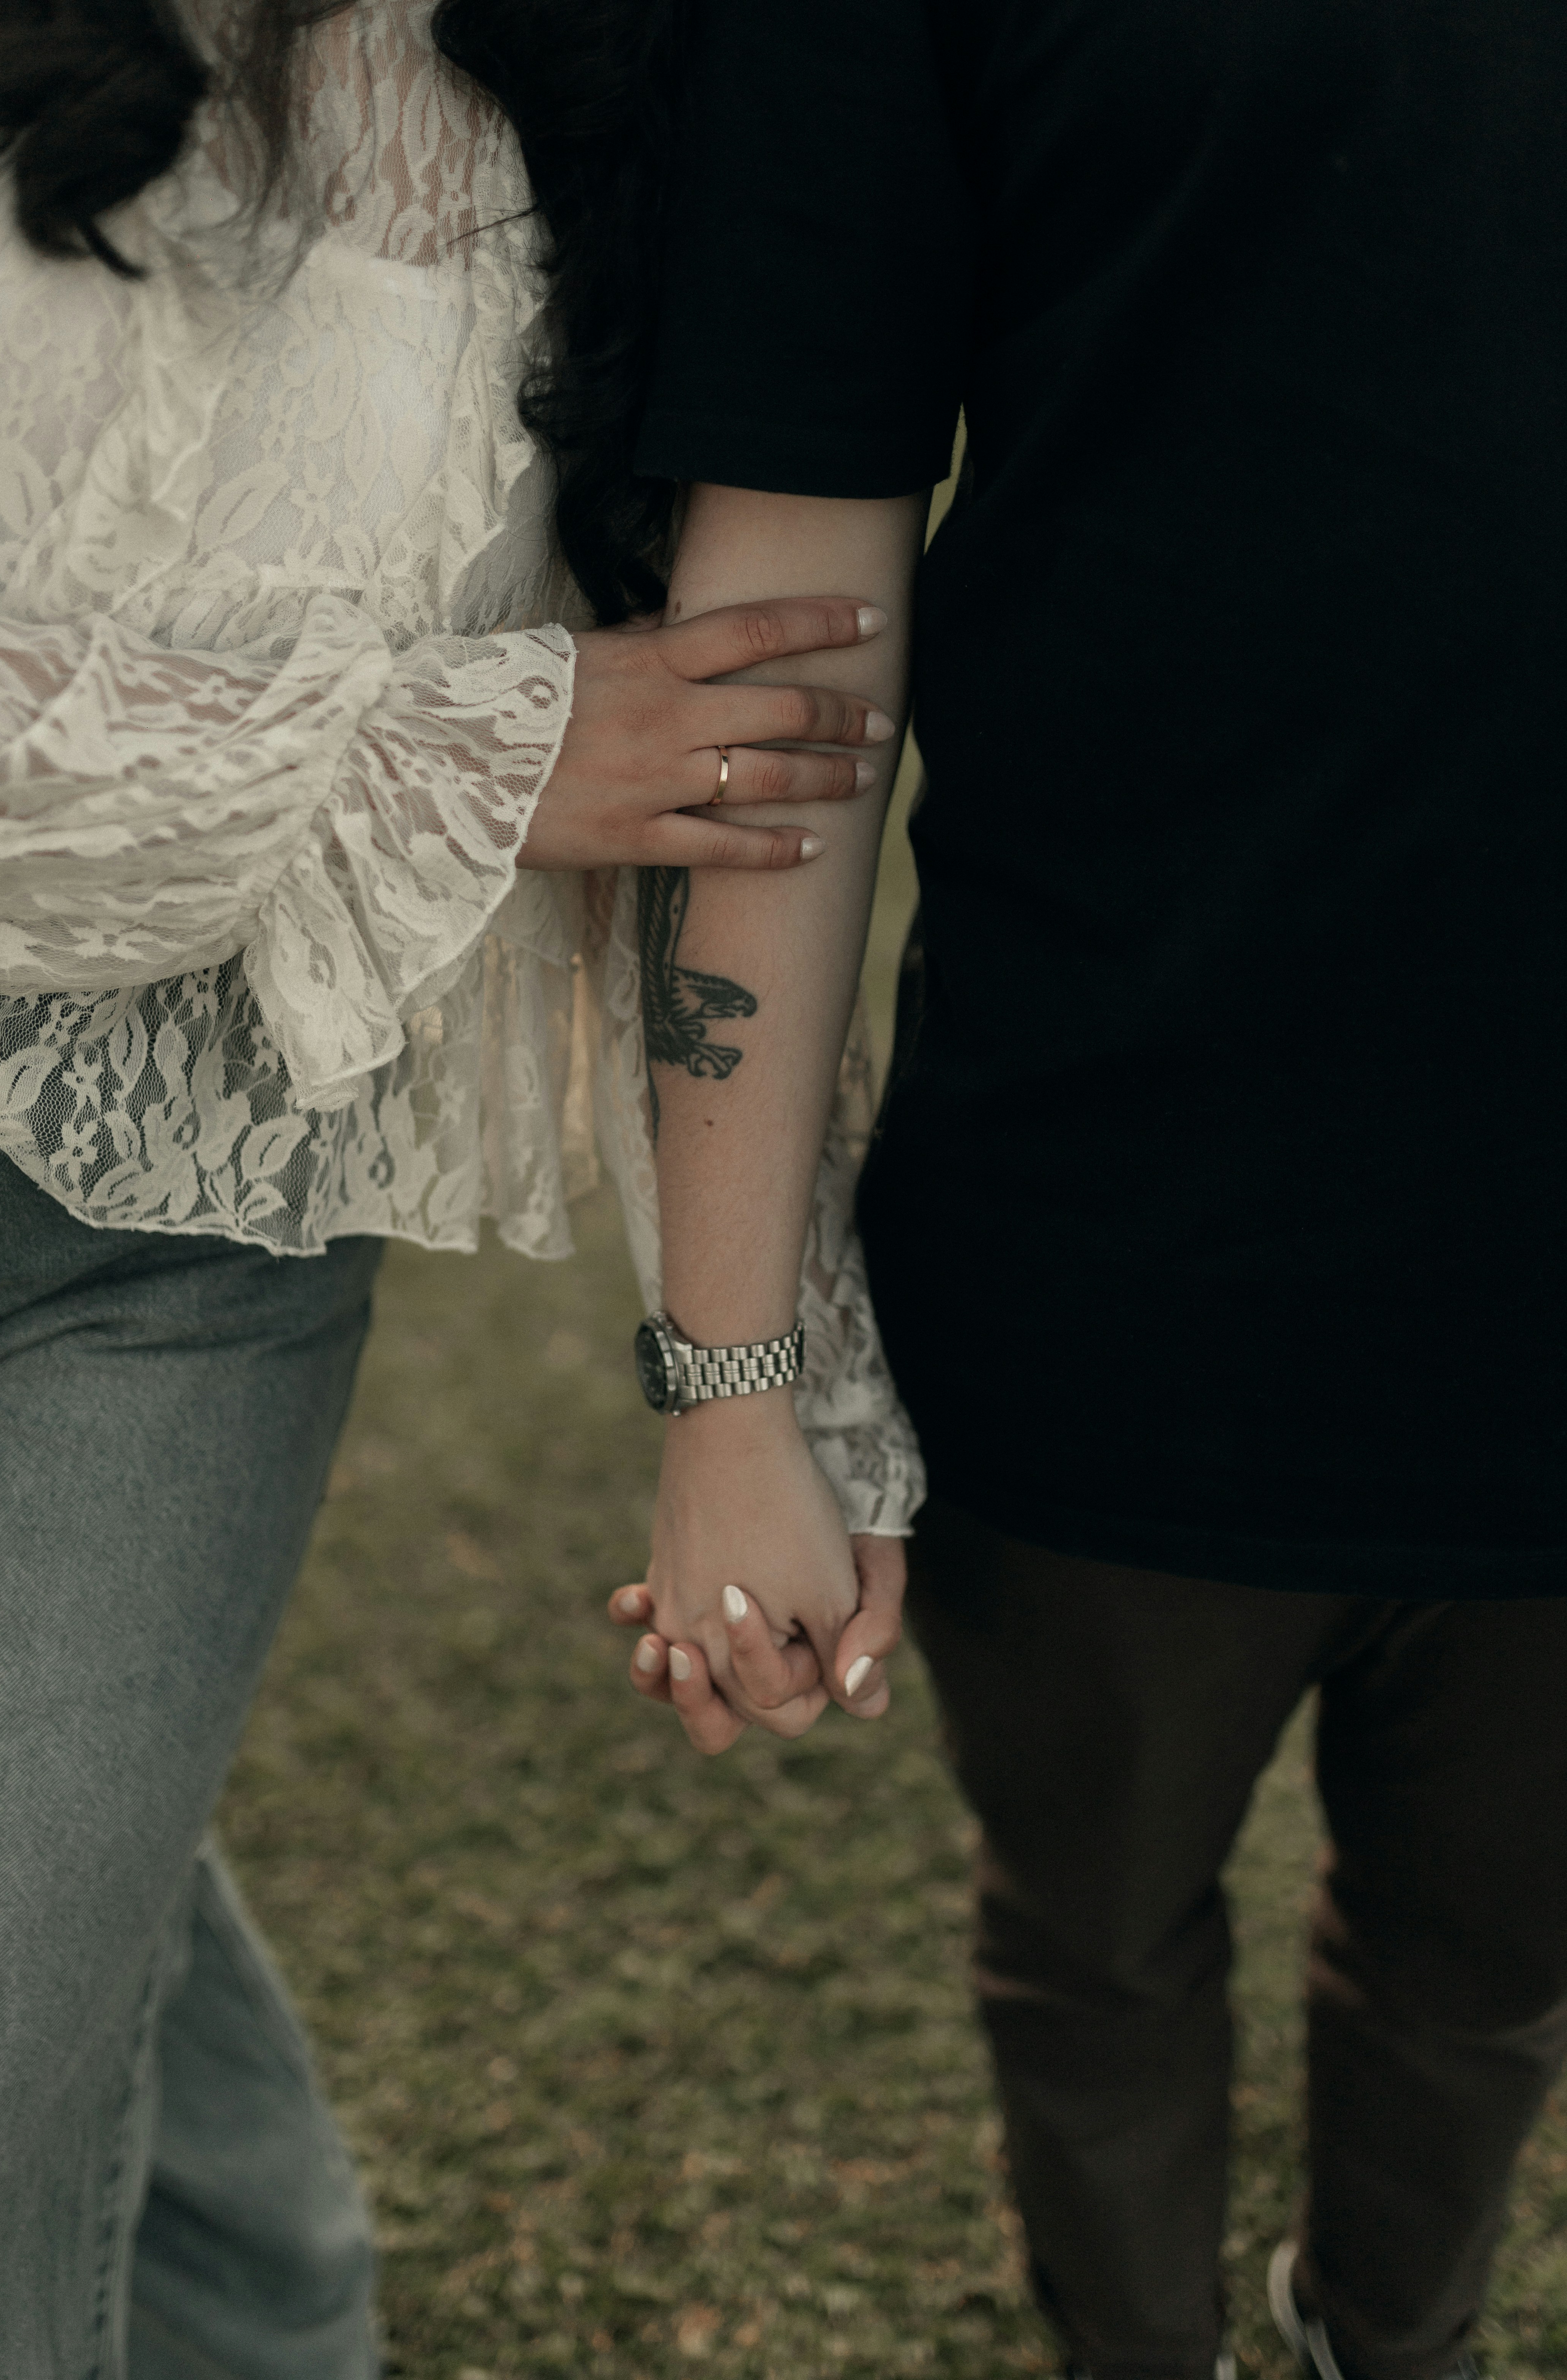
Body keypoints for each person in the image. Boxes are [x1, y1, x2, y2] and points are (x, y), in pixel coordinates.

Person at [609, 3, 1567, 2377]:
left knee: (1491, 1965)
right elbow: (778, 675)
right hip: (1117, 1220)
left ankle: (1386, 2345)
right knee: (1096, 1928)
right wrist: (731, 1383)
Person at [0, 2, 919, 2368]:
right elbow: (556, 754)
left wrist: (764, 1391)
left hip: (179, 1239)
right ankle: (260, 2310)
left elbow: (719, 770)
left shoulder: (663, 87)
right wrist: (437, 745)